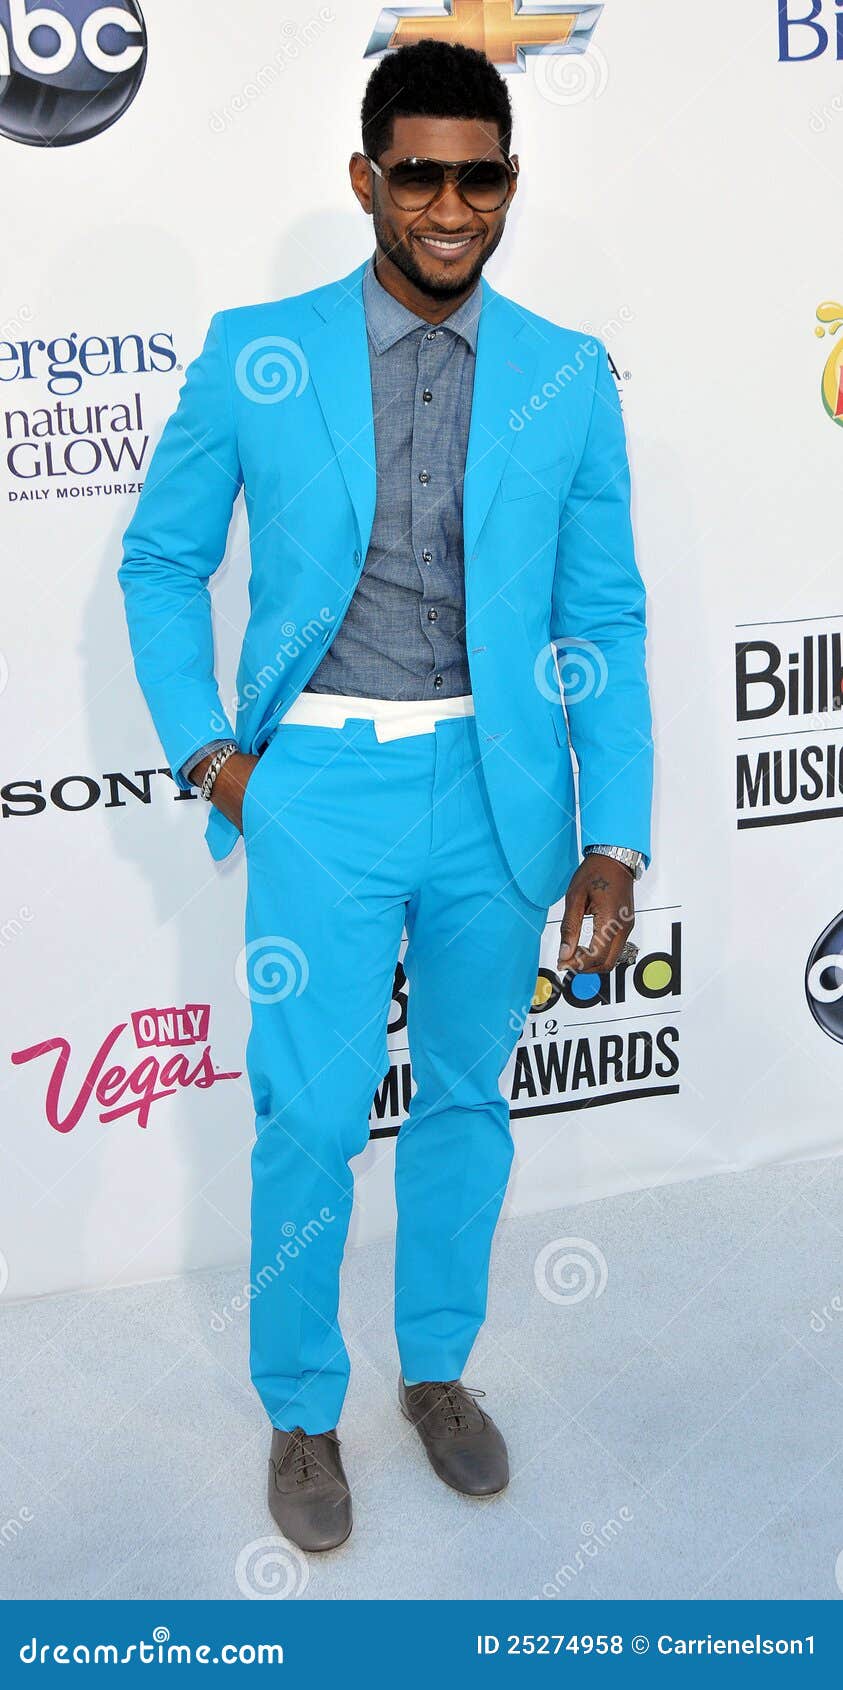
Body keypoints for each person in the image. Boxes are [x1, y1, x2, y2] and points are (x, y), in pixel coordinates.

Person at [118, 37, 653, 1553]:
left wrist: (612, 831)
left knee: (471, 1100)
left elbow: (601, 617)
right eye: (417, 172)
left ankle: (435, 1370)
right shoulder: (256, 351)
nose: (447, 204)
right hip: (323, 790)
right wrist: (213, 754)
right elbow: (162, 561)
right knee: (304, 1120)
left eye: (478, 176)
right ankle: (301, 1406)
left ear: (509, 186)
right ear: (367, 179)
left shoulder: (562, 371)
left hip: (503, 790)